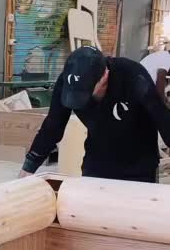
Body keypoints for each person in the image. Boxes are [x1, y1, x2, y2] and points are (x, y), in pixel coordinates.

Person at [20, 45, 170, 183]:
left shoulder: (133, 76)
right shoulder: (68, 82)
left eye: (85, 93)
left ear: (104, 76)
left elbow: (163, 120)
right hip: (96, 162)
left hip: (138, 165)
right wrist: (28, 168)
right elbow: (53, 126)